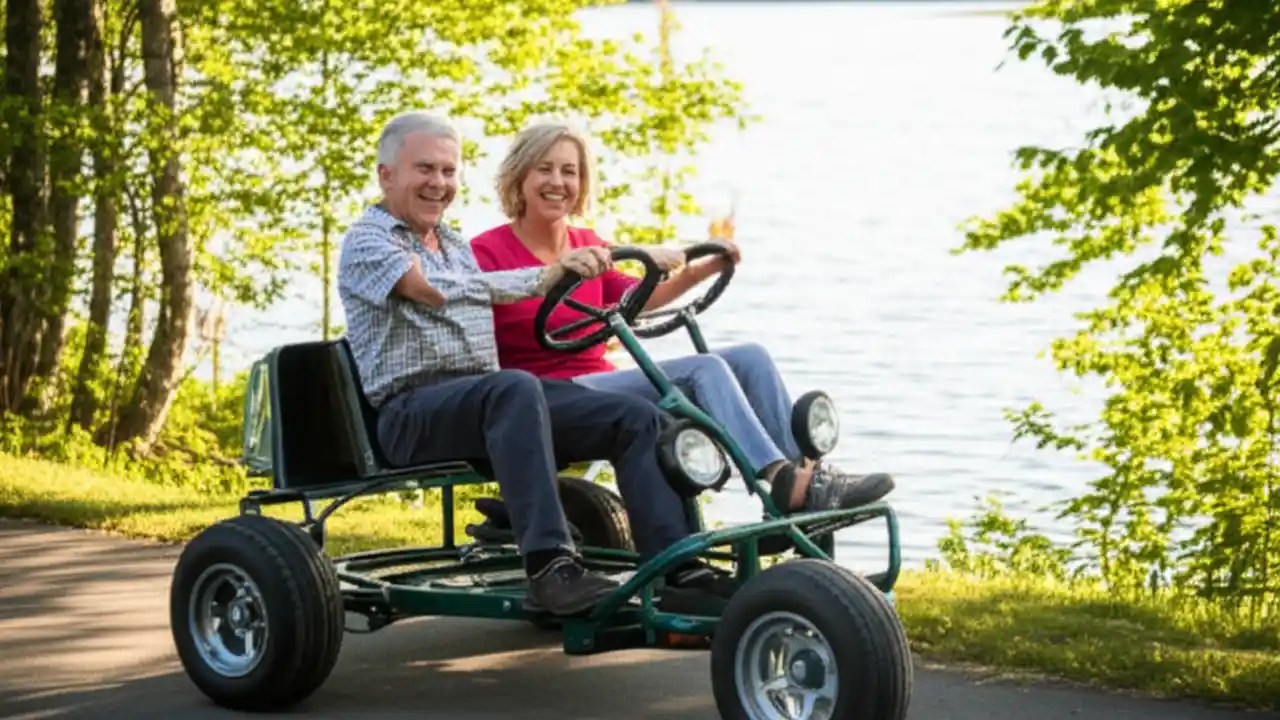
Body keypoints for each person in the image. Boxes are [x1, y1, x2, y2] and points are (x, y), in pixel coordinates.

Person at [337, 111, 730, 617]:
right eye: (425, 169)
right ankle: (550, 568)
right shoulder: (369, 240)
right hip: (410, 415)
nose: (439, 184)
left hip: (486, 404)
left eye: (449, 171)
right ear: (386, 175)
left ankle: (678, 568)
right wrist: (542, 277)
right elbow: (430, 291)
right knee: (513, 387)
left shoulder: (454, 244)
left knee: (636, 417)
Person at [470, 121, 895, 513]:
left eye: (569, 171)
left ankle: (804, 481)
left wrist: (699, 269)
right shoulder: (486, 253)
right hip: (547, 395)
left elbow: (638, 300)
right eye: (545, 169)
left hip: (599, 381)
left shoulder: (589, 242)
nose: (558, 182)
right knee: (701, 370)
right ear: (520, 177)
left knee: (751, 357)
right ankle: (778, 477)